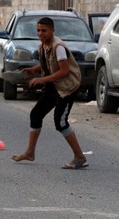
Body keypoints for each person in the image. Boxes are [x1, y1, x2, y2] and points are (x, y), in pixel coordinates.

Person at [11, 17, 88, 170]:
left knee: (60, 122)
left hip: (66, 89)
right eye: (38, 30)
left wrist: (41, 80)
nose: (40, 33)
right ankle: (30, 152)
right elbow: (49, 63)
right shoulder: (43, 46)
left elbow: (64, 70)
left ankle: (80, 157)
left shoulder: (58, 46)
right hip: (54, 87)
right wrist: (34, 70)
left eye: (44, 31)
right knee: (36, 115)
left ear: (52, 30)